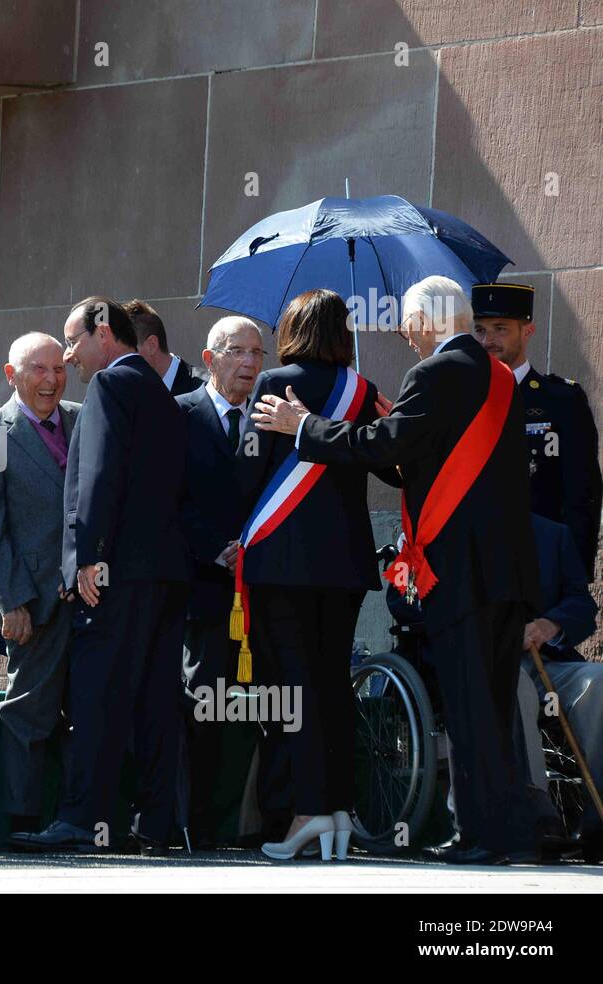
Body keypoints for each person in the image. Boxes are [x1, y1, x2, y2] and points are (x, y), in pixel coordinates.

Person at [252, 275, 543, 865]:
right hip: (507, 570)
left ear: (427, 319)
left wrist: (301, 427)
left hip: (461, 571)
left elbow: (387, 444)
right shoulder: (499, 377)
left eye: (408, 322)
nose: (406, 335)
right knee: (495, 706)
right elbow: (423, 451)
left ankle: (479, 837)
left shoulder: (436, 373)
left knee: (465, 706)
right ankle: (507, 831)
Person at [12, 296, 191, 855]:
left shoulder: (113, 386)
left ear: (103, 331)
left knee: (95, 695)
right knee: (157, 699)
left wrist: (88, 556)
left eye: (72, 342)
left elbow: (100, 475)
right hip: (166, 575)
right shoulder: (162, 392)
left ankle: (81, 820)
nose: (69, 357)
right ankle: (154, 824)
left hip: (116, 575)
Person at [234, 290, 391, 861]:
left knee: (296, 689)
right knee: (332, 686)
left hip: (285, 561)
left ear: (294, 329)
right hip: (345, 564)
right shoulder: (362, 389)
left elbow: (251, 468)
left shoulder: (276, 384)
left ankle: (307, 813)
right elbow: (392, 468)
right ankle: (338, 811)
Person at [0, 331, 79, 838]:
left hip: (94, 595)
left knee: (91, 711)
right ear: (11, 375)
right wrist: (11, 601)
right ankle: (22, 822)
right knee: (28, 713)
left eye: (58, 368)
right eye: (38, 369)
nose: (51, 380)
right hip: (32, 602)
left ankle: (79, 820)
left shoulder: (83, 419)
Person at [174, 315, 266, 847]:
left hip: (260, 589)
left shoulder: (273, 417)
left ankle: (256, 823)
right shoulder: (180, 414)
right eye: (237, 352)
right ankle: (196, 825)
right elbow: (168, 497)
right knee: (202, 707)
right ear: (209, 359)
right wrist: (215, 549)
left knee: (268, 706)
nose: (250, 363)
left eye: (258, 353)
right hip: (203, 590)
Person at [471, 282, 601, 576]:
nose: (488, 340)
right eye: (480, 330)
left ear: (527, 330)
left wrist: (575, 580)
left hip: (541, 565)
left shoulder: (561, 400)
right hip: (480, 572)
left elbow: (582, 495)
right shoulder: (464, 400)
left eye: (500, 328)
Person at [515, 514, 602, 859]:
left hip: (549, 661)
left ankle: (597, 819)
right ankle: (540, 816)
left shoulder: (553, 535)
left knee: (598, 682)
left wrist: (550, 625)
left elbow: (581, 605)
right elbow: (404, 602)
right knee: (516, 685)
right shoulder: (453, 528)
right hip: (486, 666)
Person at [124, 299, 207, 396]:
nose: (119, 361)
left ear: (151, 345)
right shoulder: (127, 392)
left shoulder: (205, 389)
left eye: (125, 351)